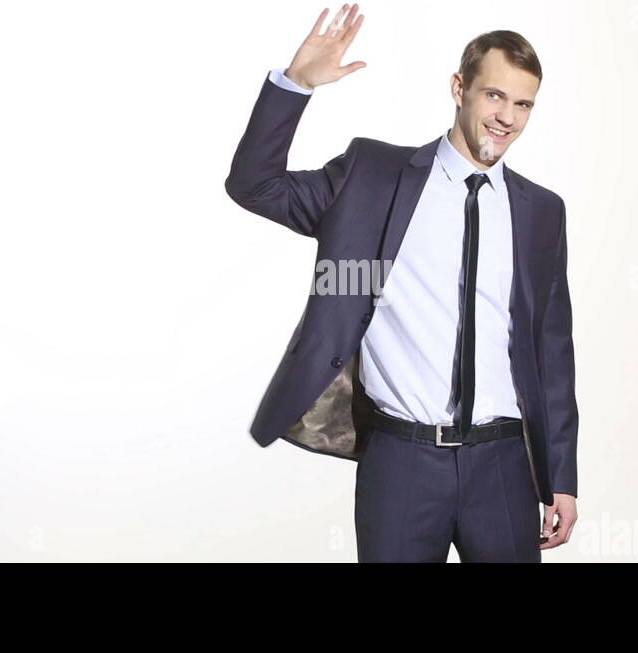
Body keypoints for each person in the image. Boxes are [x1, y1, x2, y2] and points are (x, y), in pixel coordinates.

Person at [224, 3, 578, 562]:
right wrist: (295, 85)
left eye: (523, 104)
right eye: (494, 95)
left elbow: (552, 348)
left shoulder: (541, 212)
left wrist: (561, 473)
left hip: (504, 464)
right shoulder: (372, 177)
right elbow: (254, 185)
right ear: (459, 87)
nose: (506, 117)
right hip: (402, 463)